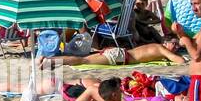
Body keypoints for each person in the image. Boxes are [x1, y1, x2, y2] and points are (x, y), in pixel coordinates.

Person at [48, 38, 185, 68]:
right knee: (83, 61)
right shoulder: (161, 48)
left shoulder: (157, 47)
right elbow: (179, 61)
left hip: (119, 53)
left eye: (177, 46)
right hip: (120, 56)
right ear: (166, 42)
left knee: (84, 59)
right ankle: (52, 61)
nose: (175, 47)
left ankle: (53, 61)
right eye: (173, 43)